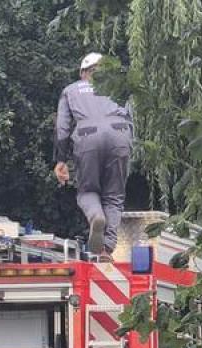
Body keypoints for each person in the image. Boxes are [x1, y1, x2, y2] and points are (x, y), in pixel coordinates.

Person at [53, 52, 134, 257]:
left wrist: (61, 160)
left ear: (83, 73)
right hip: (120, 135)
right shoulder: (119, 88)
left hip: (87, 137)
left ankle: (96, 216)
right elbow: (131, 118)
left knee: (87, 191)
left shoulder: (70, 91)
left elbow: (62, 128)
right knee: (114, 196)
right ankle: (106, 248)